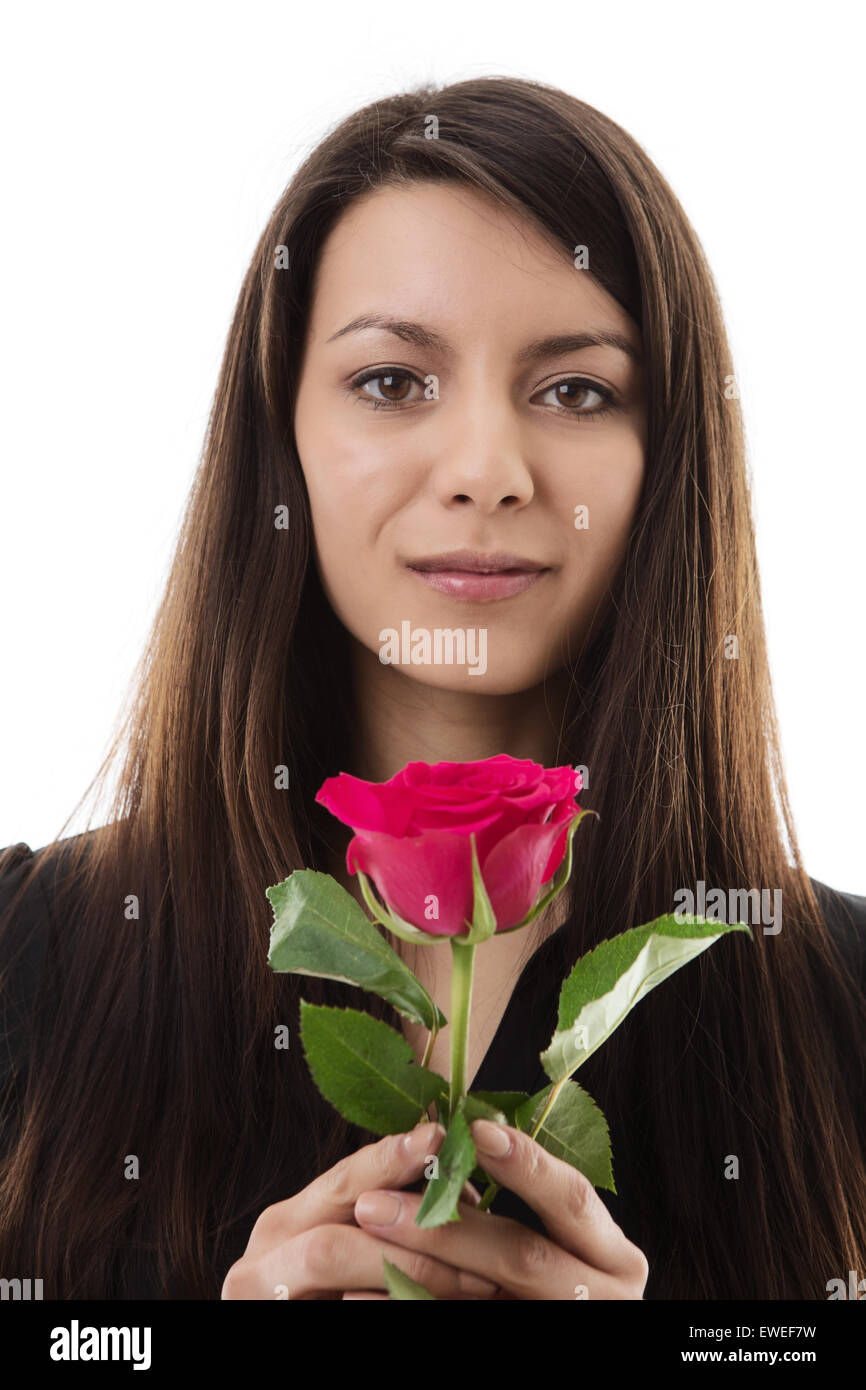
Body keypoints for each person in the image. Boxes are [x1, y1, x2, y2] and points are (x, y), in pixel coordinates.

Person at [1, 75, 863, 1301]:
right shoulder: (35, 958)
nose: (483, 470)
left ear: (666, 456)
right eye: (392, 380)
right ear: (278, 433)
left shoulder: (836, 1003)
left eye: (574, 390)